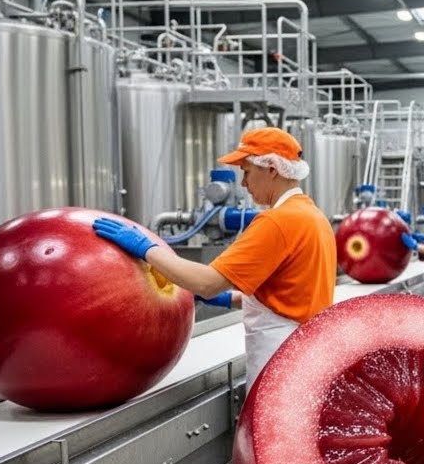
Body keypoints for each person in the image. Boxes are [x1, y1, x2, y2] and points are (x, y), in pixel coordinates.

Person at [93, 127, 336, 389]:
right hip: (306, 355)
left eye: (247, 172)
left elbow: (208, 282)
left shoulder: (277, 221)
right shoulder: (313, 217)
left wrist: (146, 248)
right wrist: (225, 299)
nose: (243, 183)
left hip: (281, 361)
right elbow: (291, 295)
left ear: (272, 169)